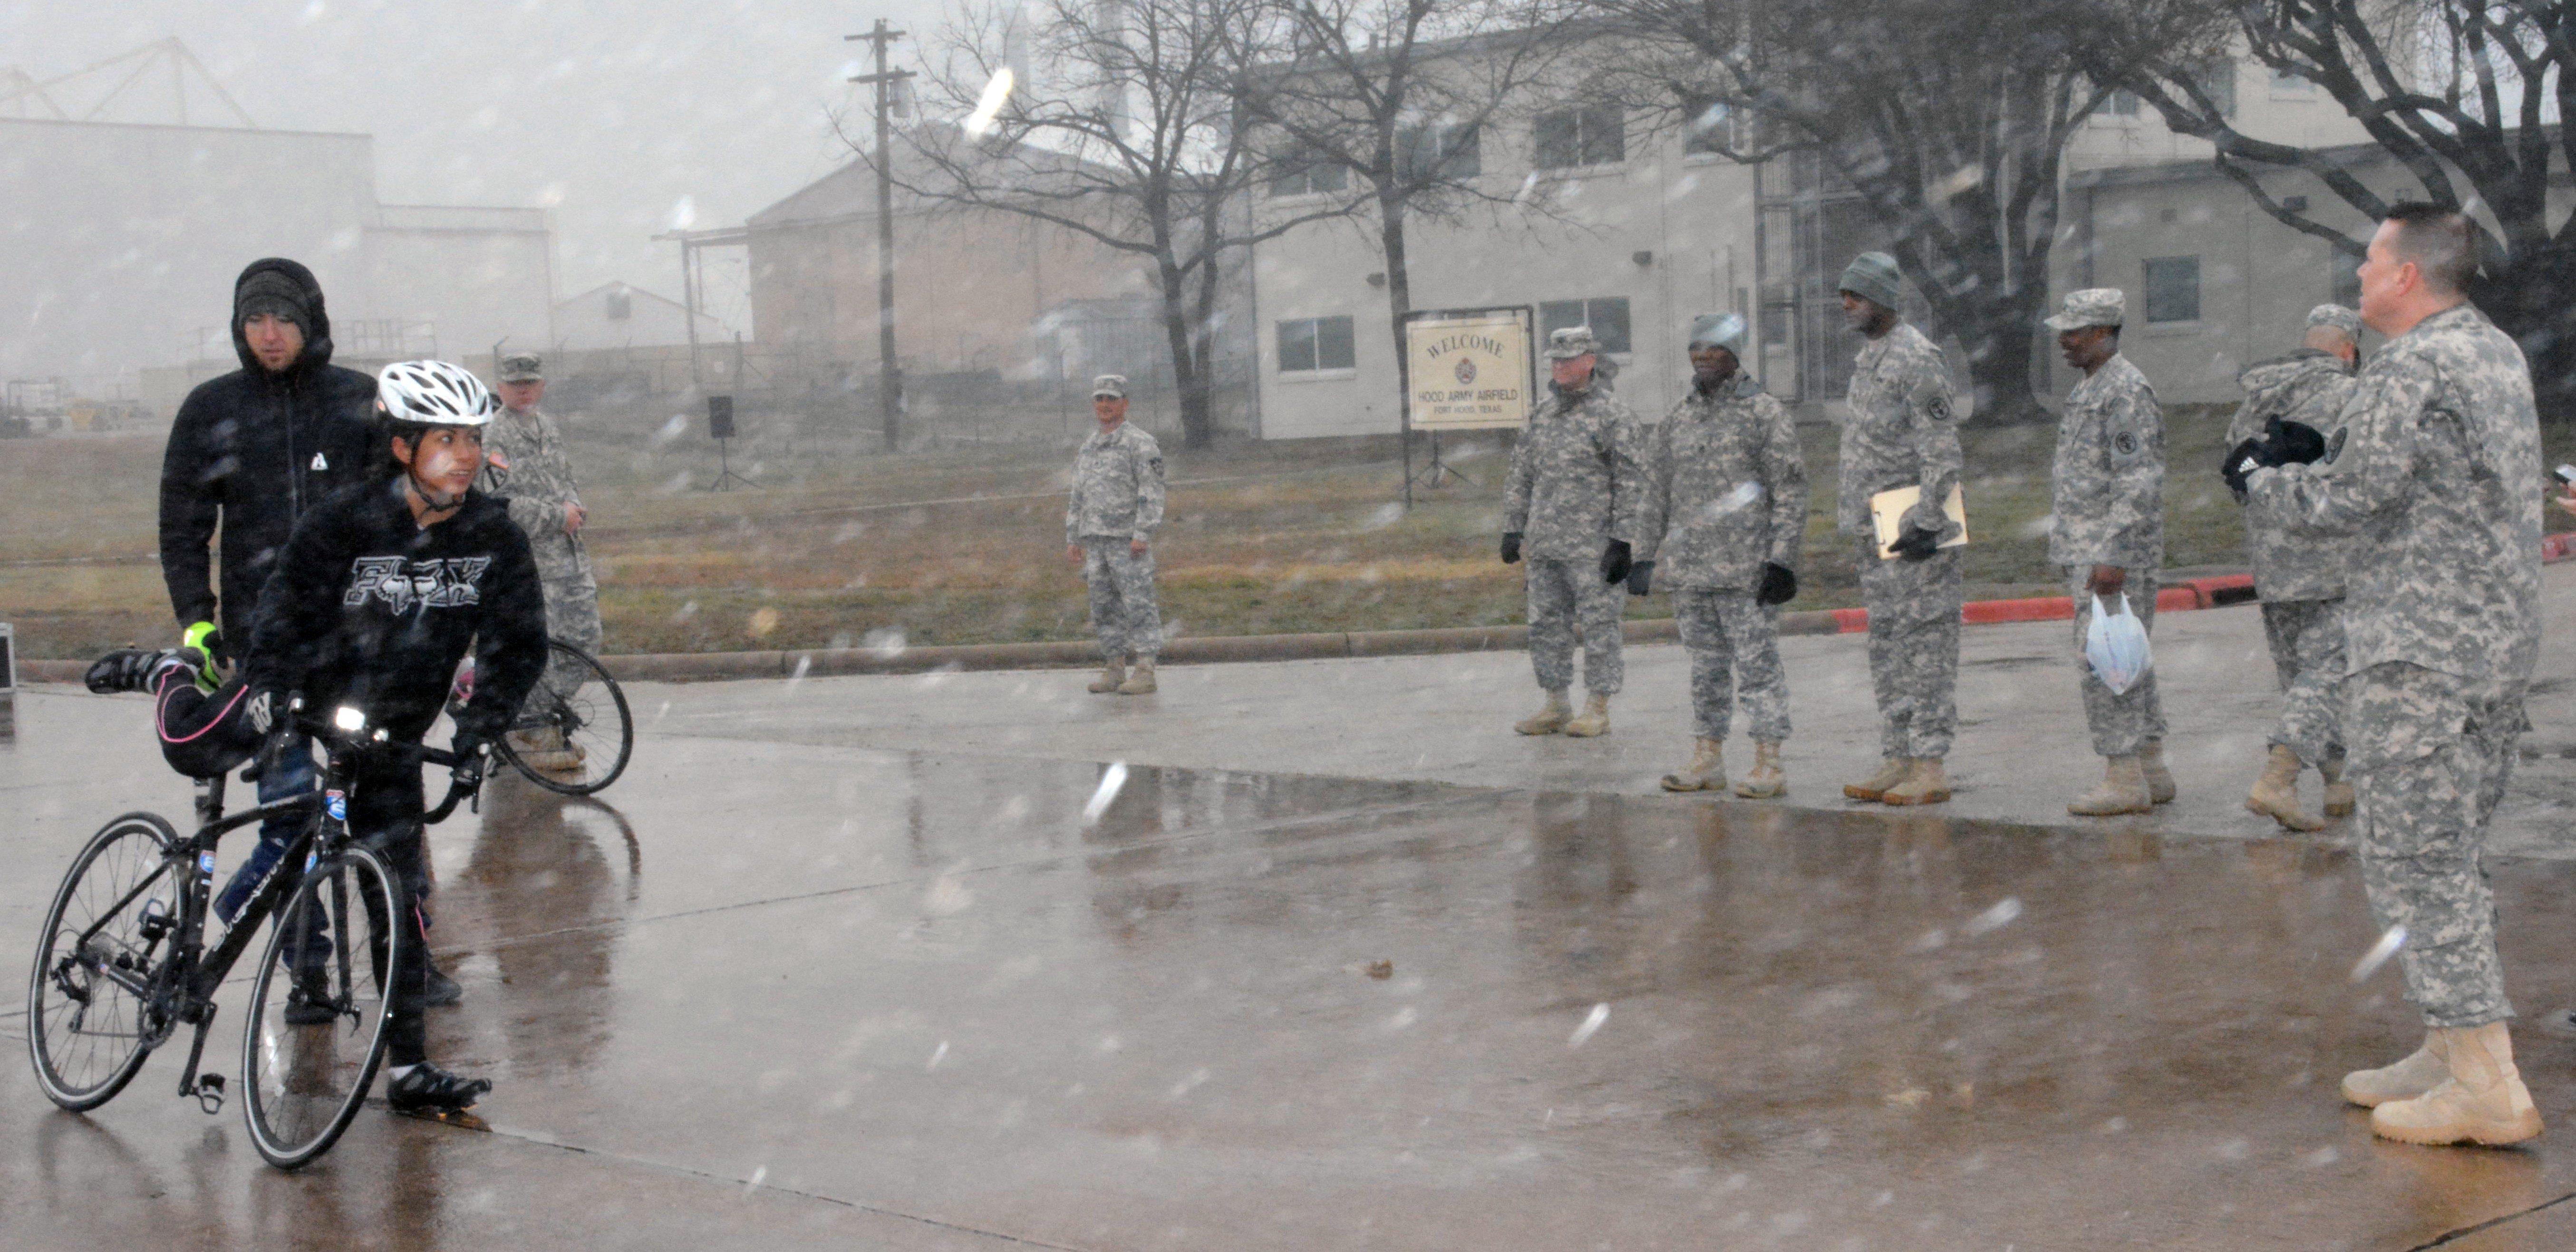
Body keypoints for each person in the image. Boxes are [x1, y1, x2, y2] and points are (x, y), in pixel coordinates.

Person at [2237, 203, 2543, 1146]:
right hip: (2491, 643)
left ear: (2407, 275)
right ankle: (2451, 1045)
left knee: (2420, 856)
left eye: (2372, 259)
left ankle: (2486, 1082)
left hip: (2417, 646)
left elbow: (2354, 494)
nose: (2363, 275)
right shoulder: (2495, 351)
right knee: (2448, 845)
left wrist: (2258, 477)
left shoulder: (2414, 361)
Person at [248, 358, 549, 1114]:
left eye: (472, 440)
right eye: (444, 440)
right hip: (312, 713)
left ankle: (410, 1066)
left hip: (391, 738)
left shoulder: (491, 537)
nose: (466, 456)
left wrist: (479, 731)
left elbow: (518, 646)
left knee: (398, 895)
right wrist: (281, 689)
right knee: (276, 846)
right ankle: (252, 963)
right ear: (402, 447)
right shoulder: (340, 525)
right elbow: (282, 614)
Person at [158, 259, 379, 927]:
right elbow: (182, 527)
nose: (270, 333)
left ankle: (406, 963)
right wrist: (199, 620)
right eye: (255, 319)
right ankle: (305, 969)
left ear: (310, 322)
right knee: (287, 814)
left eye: (284, 318)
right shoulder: (211, 409)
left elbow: (404, 509)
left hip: (359, 641)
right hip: (267, 647)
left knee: (377, 811)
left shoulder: (359, 399)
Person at [1631, 313, 1807, 795]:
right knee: (1705, 670)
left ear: (1736, 353)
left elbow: (1790, 491)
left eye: (1716, 348)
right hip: (1691, 571)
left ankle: (1769, 762)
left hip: (1747, 571)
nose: (1705, 356)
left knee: (1758, 668)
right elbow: (1655, 493)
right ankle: (1708, 757)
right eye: (1697, 347)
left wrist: (1783, 559)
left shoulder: (1763, 413)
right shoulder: (1677, 418)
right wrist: (1643, 555)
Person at [1833, 252, 1961, 806]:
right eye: (1844, 295)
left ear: (1884, 299)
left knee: (1926, 645)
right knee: (1887, 645)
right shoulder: (1869, 359)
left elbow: (1941, 450)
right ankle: (1899, 755)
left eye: (1856, 296)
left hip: (1916, 524)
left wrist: (1929, 521)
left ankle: (1929, 765)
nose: (1846, 305)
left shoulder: (1917, 358)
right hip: (1877, 523)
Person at [2229, 305, 2363, 830]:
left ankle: (2338, 782)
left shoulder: (2258, 396)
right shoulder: (2351, 396)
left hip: (2274, 560)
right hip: (2334, 561)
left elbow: (2235, 469)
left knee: (2300, 675)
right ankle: (2278, 779)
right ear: (2349, 350)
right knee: (2329, 675)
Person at [2044, 289, 2174, 816]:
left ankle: (2124, 776)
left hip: (2112, 554)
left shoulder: (2123, 390)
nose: (2064, 342)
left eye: (2074, 332)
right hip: (2093, 548)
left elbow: (2137, 478)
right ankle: (2150, 767)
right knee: (2127, 656)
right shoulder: (2093, 388)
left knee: (2108, 660)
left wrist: (2114, 551)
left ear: (2103, 332)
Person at [1501, 326, 1643, 738]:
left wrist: (1625, 540)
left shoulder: (1613, 415)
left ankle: (1597, 705)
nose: (1561, 365)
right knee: (1545, 624)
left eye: (1570, 358)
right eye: (1556, 359)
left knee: (1600, 625)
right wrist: (1513, 527)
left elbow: (1632, 481)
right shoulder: (1541, 414)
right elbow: (1521, 474)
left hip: (1594, 546)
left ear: (1590, 361)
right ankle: (1556, 703)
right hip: (1546, 543)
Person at [474, 352, 601, 773]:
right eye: (514, 384)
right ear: (501, 388)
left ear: (542, 384)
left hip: (567, 555)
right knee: (540, 645)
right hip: (529, 560)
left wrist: (575, 506)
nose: (523, 389)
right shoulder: (494, 436)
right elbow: (497, 502)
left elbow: (566, 477)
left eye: (530, 381)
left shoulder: (547, 425)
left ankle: (536, 715)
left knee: (585, 638)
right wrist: (554, 516)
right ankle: (528, 727)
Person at [1064, 375, 1167, 695]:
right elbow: (1078, 493)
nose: (1105, 405)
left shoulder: (1140, 443)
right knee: (1104, 606)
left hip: (1127, 541)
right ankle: (1115, 668)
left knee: (1139, 604)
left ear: (1125, 403)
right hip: (1096, 541)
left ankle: (1146, 670)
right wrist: (1073, 535)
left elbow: (1151, 491)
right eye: (1099, 399)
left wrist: (1142, 533)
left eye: (1111, 399)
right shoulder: (1090, 446)